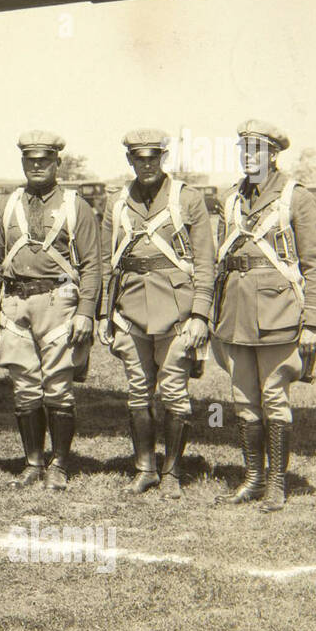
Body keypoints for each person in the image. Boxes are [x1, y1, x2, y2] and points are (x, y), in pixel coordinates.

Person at [212, 120, 316, 513]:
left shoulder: (296, 197)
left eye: (256, 150)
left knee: (274, 398)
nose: (248, 157)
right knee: (244, 400)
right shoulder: (229, 198)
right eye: (243, 149)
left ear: (273, 154)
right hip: (235, 314)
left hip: (279, 314)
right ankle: (253, 478)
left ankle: (277, 482)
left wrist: (313, 323)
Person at [0, 130, 101, 490]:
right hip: (15, 303)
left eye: (44, 160)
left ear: (57, 163)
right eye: (31, 161)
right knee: (25, 387)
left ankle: (59, 464)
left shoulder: (75, 205)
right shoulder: (8, 204)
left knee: (59, 387)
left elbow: (93, 264)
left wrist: (86, 312)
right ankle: (33, 462)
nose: (37, 166)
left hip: (59, 302)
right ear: (22, 163)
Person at [98, 129, 215, 499]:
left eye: (152, 157)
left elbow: (205, 263)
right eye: (138, 158)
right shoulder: (116, 203)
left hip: (177, 311)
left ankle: (173, 473)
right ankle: (145, 468)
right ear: (129, 160)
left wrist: (200, 316)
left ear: (162, 158)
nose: (145, 164)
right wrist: (104, 314)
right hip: (129, 310)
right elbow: (106, 264)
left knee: (174, 394)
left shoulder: (187, 199)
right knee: (137, 392)